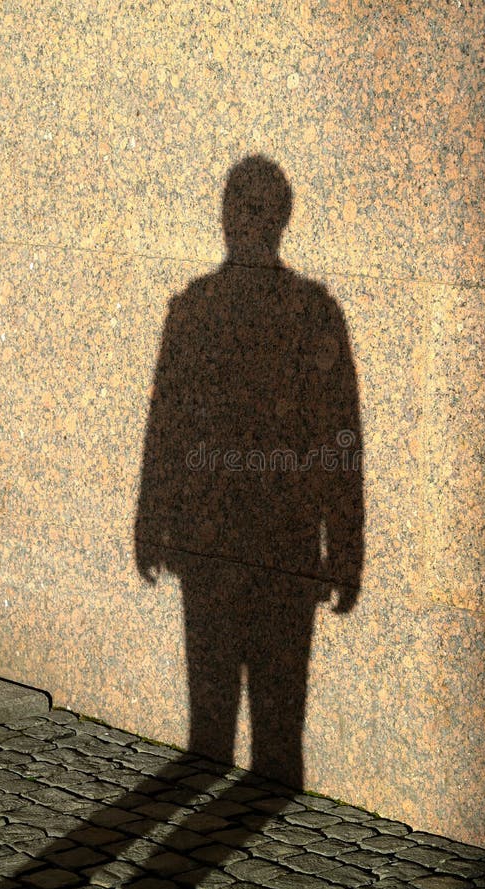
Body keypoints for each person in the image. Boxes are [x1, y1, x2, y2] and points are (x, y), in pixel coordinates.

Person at [135, 155, 363, 788]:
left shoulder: (196, 307)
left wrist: (153, 523)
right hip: (277, 544)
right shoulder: (313, 311)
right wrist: (344, 548)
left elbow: (168, 429)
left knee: (215, 730)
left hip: (217, 543)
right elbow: (340, 442)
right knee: (274, 738)